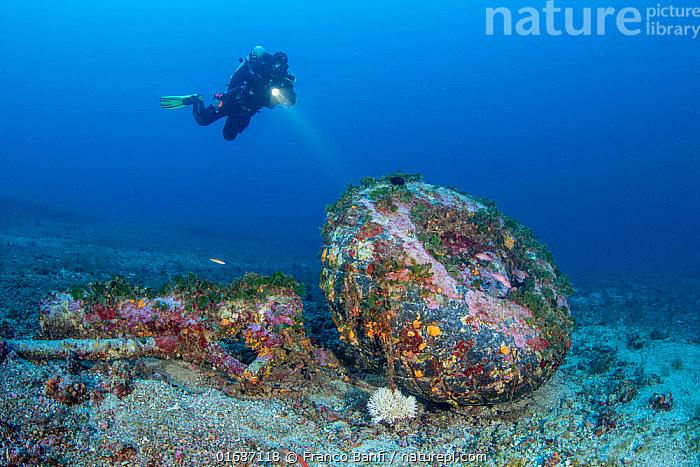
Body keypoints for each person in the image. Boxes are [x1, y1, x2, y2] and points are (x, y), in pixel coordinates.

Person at [160, 46, 296, 141]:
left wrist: (285, 95)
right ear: (272, 62)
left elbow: (291, 99)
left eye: (282, 66)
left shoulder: (283, 82)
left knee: (229, 136)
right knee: (202, 120)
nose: (278, 68)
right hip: (233, 100)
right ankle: (196, 100)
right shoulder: (258, 68)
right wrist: (254, 78)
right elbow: (240, 77)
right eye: (277, 64)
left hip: (245, 111)